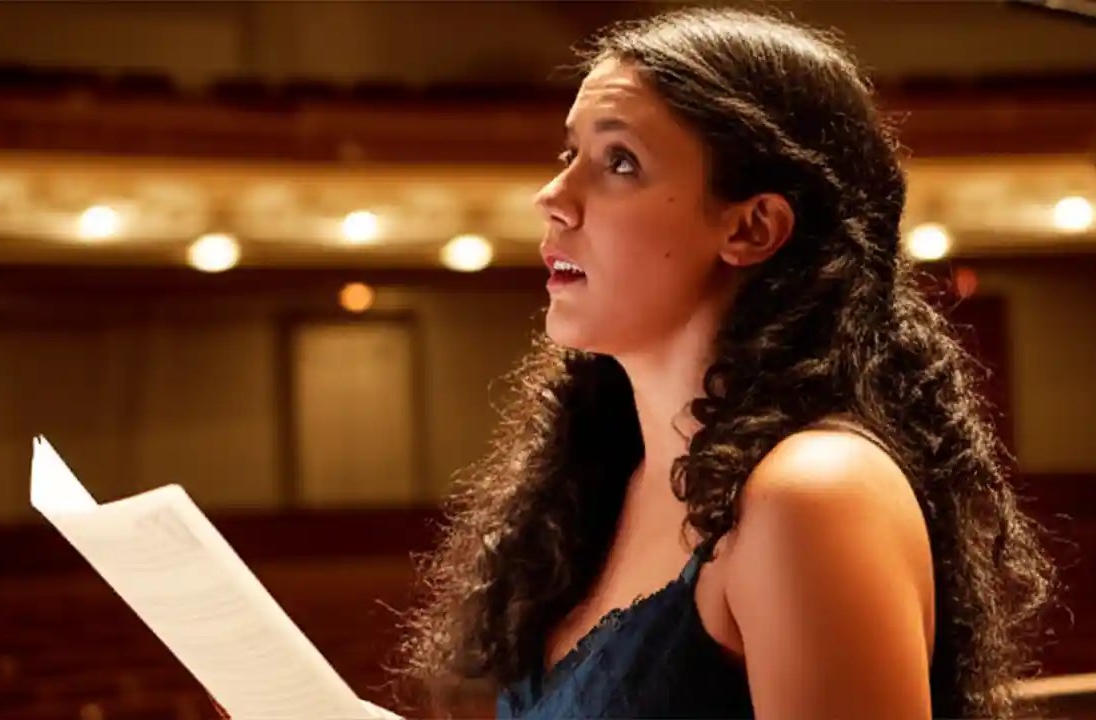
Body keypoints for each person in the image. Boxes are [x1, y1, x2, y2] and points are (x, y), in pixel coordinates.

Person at [394, 6, 1057, 720]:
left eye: (620, 162)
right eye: (569, 156)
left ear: (752, 227)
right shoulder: (606, 478)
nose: (552, 197)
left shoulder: (814, 493)